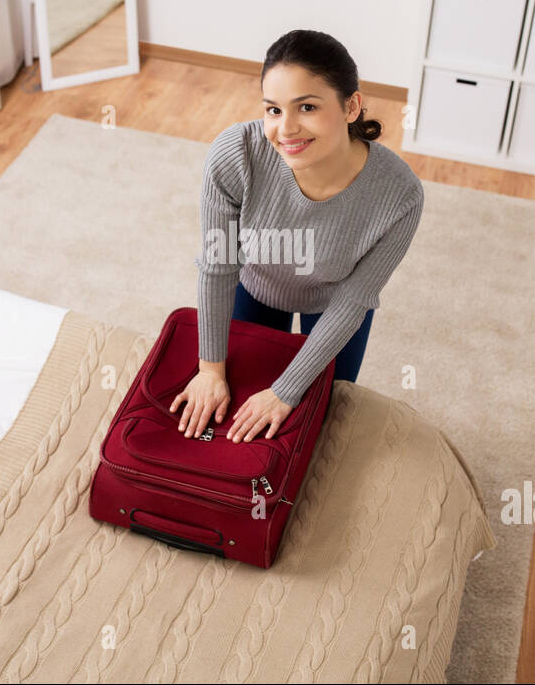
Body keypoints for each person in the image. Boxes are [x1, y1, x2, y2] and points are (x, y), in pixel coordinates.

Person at [171, 28, 424, 444]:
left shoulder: (399, 195)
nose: (286, 129)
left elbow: (354, 298)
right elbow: (218, 267)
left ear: (351, 106)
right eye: (273, 109)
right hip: (253, 286)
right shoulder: (235, 154)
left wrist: (287, 392)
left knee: (318, 422)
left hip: (332, 303)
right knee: (233, 412)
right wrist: (210, 371)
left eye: (306, 106)